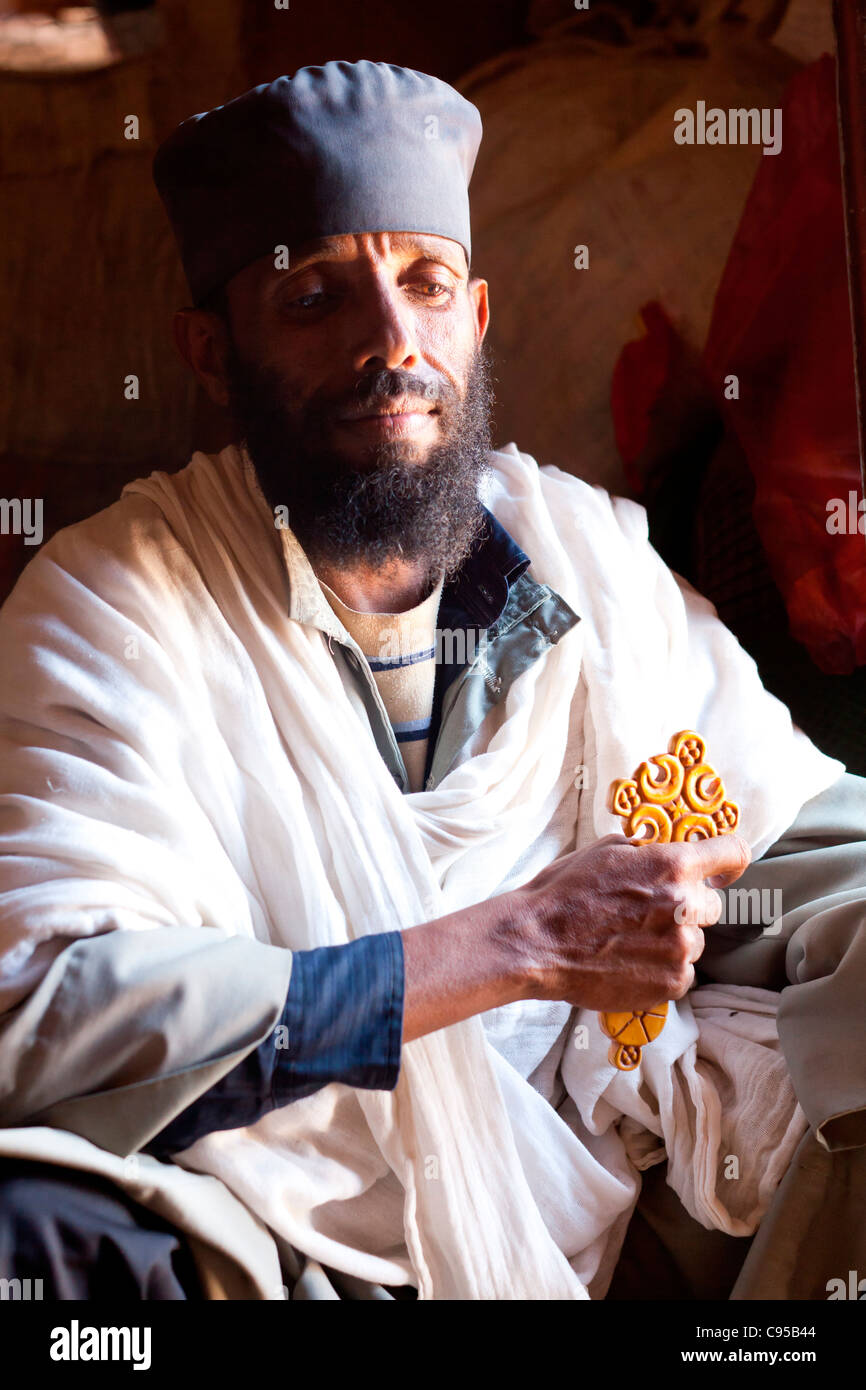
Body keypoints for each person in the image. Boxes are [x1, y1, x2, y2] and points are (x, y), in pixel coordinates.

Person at [0, 60, 864, 1302]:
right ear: (209, 351)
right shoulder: (110, 605)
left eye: (424, 285)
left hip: (576, 1192)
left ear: (478, 315)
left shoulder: (588, 565)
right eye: (315, 297)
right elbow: (44, 1004)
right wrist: (510, 943)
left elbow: (780, 839)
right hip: (255, 1215)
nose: (390, 344)